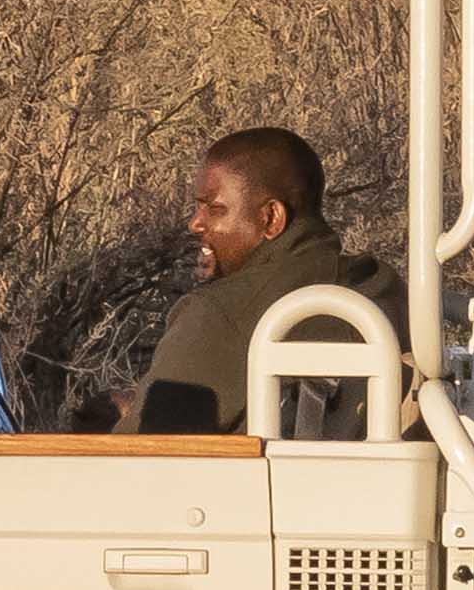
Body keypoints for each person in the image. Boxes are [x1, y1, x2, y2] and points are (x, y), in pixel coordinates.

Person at [132, 128, 396, 438]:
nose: (196, 223)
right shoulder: (382, 286)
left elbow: (140, 451)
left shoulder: (218, 313)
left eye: (214, 209)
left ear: (272, 217)